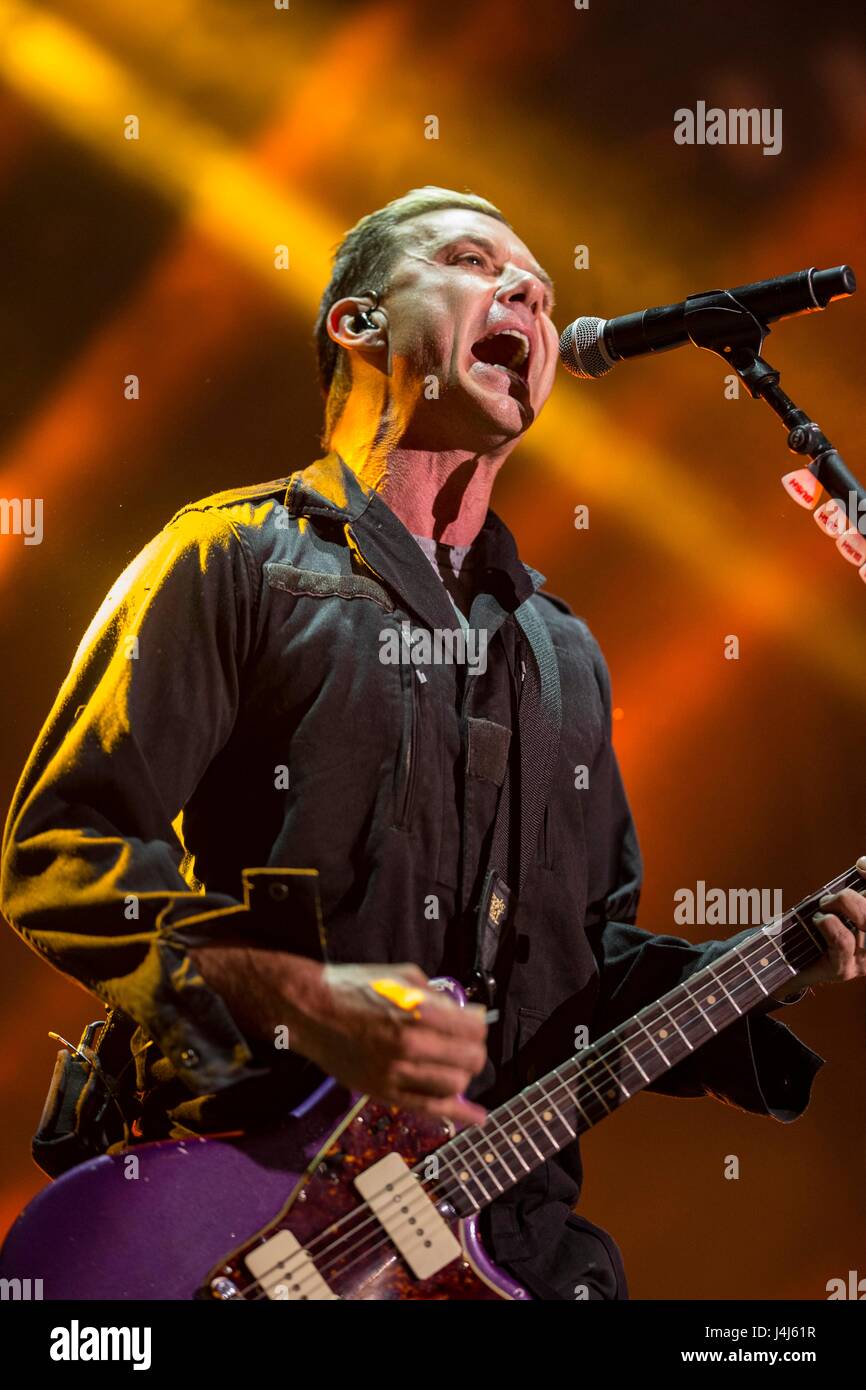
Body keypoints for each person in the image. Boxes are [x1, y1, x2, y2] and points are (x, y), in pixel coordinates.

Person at [2, 186, 865, 1301]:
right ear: (354, 323)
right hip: (244, 1231)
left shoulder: (562, 655)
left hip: (504, 1246)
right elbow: (61, 853)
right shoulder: (231, 563)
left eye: (544, 294)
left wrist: (779, 955)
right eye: (471, 260)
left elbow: (581, 972)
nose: (528, 297)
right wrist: (290, 994)